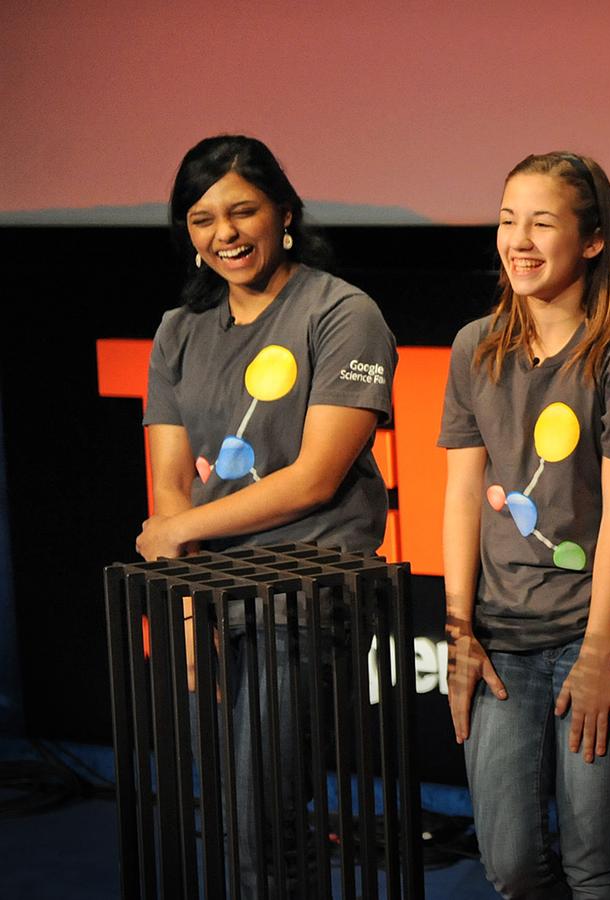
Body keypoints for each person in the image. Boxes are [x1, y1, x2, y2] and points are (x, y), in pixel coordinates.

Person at [137, 134, 397, 897]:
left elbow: (316, 478)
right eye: (202, 219)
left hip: (307, 595)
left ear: (284, 212)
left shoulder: (341, 312)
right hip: (212, 598)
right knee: (229, 817)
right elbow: (170, 482)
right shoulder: (178, 330)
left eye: (242, 211)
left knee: (263, 823)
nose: (224, 233)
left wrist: (178, 531)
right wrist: (190, 612)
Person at [438, 151, 610, 899]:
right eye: (508, 221)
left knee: (593, 862)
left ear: (593, 239)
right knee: (510, 864)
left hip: (596, 634)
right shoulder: (475, 345)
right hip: (498, 641)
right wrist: (459, 633)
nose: (519, 240)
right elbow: (460, 495)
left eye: (542, 224)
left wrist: (600, 652)